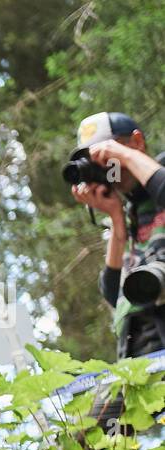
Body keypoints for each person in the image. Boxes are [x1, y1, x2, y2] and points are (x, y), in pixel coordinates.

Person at [69, 112, 165, 430]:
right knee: (87, 437)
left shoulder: (159, 177)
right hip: (137, 356)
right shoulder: (133, 207)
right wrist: (117, 221)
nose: (108, 166)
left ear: (137, 141)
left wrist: (124, 155)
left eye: (108, 152)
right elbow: (114, 292)